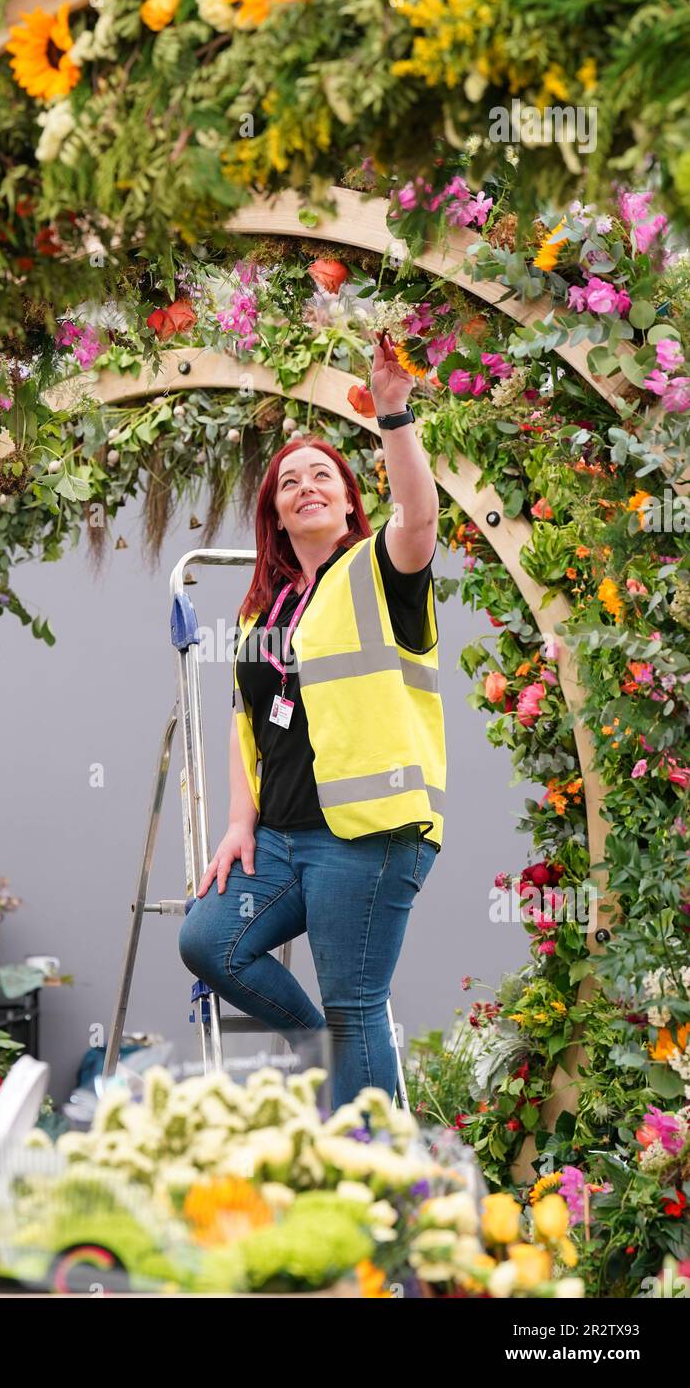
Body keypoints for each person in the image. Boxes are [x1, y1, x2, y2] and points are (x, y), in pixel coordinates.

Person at [178, 341, 445, 1110]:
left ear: (349, 499)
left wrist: (393, 413)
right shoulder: (265, 605)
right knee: (209, 942)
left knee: (355, 1004)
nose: (305, 488)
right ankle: (321, 1055)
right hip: (283, 839)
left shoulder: (379, 567)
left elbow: (419, 512)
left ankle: (379, 1189)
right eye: (288, 483)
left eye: (321, 475)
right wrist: (239, 822)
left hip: (366, 834)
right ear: (275, 513)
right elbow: (246, 717)